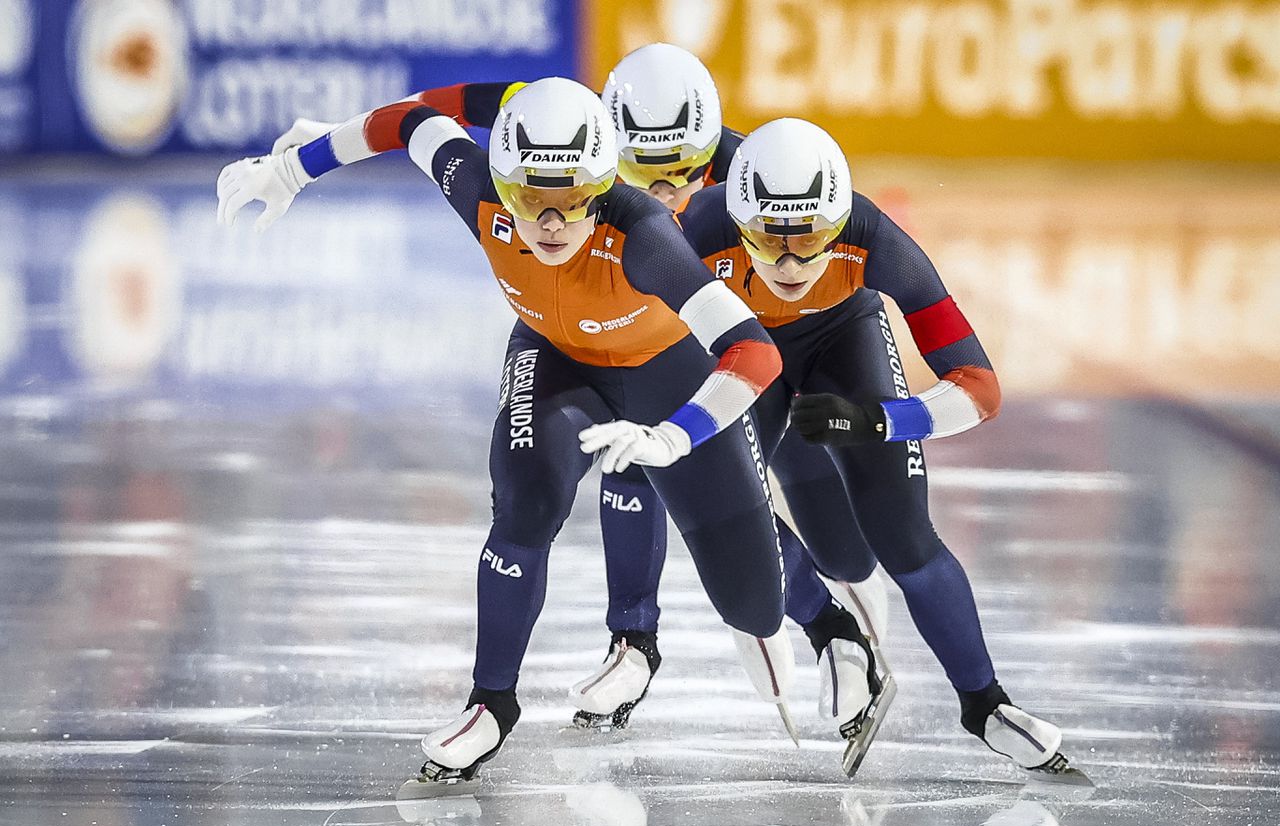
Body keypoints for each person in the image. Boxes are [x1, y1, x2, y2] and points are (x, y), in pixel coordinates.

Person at [267, 47, 899, 773]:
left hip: (684, 341)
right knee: (532, 495)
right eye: (531, 195)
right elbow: (430, 114)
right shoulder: (546, 125)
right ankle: (569, 666)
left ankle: (818, 623)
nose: (662, 188)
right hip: (563, 340)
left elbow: (772, 308)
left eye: (683, 172)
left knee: (702, 508)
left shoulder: (731, 175)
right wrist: (308, 156)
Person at [665, 116, 1087, 782]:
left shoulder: (875, 237)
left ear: (838, 227)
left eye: (810, 242)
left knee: (900, 530)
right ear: (739, 227)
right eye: (769, 245)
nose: (791, 265)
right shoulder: (694, 233)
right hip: (745, 352)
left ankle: (984, 701)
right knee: (711, 504)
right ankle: (830, 626)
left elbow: (980, 389)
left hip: (844, 344)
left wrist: (880, 419)